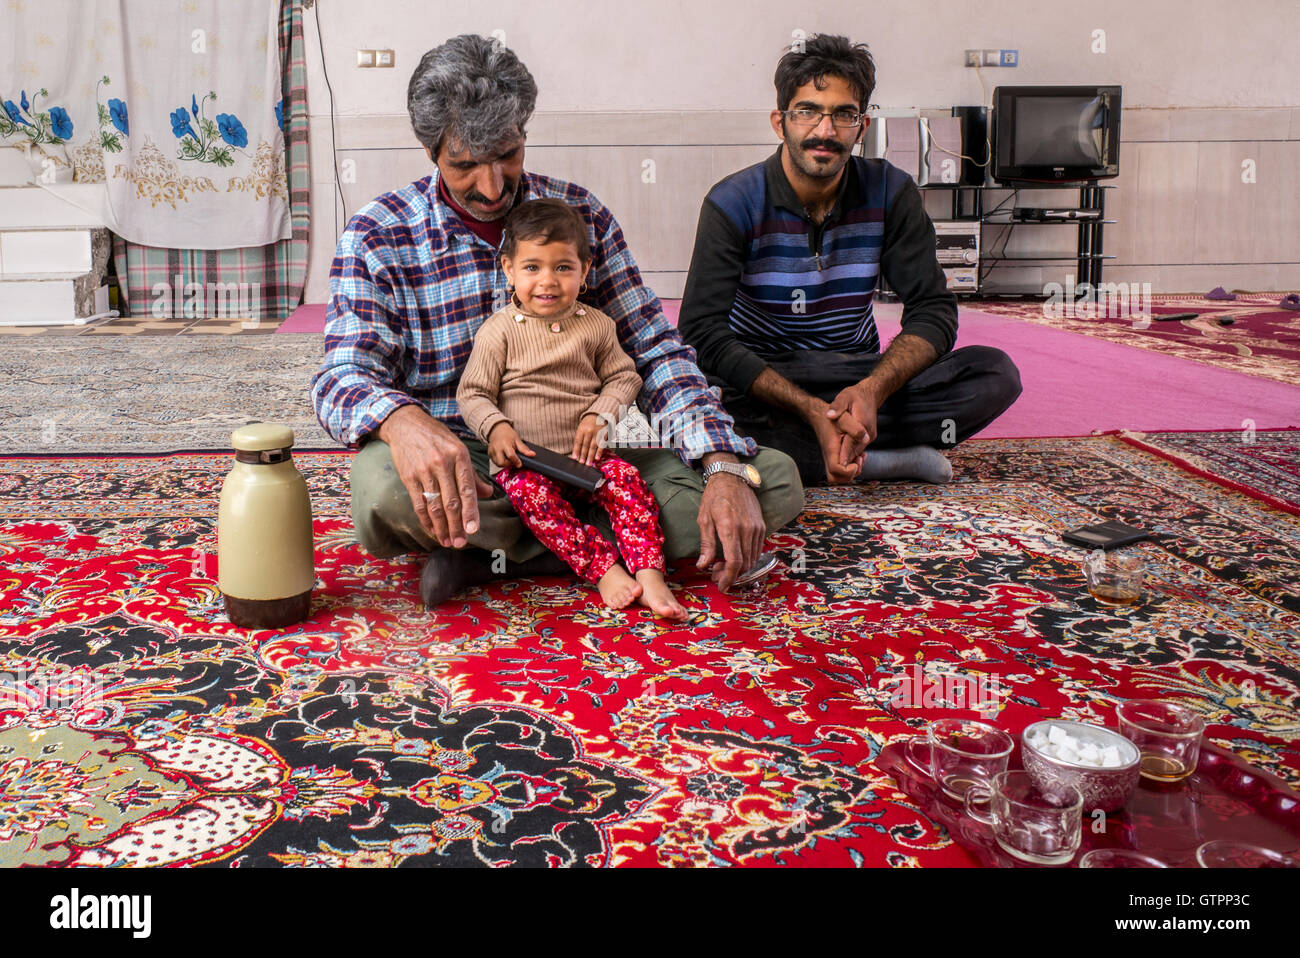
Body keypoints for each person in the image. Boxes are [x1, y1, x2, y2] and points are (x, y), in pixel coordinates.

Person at [309, 34, 804, 608]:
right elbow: (342, 377)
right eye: (466, 165)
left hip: (589, 465)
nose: (493, 188)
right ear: (430, 153)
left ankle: (509, 556)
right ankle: (607, 547)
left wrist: (719, 463)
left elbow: (655, 352)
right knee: (382, 490)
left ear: (524, 134)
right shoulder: (377, 236)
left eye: (507, 156)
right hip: (477, 466)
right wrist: (401, 422)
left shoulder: (582, 217)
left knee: (772, 479)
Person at [678, 34, 1022, 487]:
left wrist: (871, 390)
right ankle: (873, 457)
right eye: (808, 112)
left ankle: (816, 448)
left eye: (843, 114)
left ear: (861, 126)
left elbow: (933, 310)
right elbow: (701, 330)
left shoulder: (889, 191)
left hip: (855, 373)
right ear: (780, 122)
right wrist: (809, 408)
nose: (825, 131)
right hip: (765, 377)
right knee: (675, 395)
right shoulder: (733, 201)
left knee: (994, 373)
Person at [457, 198, 687, 620]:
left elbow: (624, 377)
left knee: (630, 485)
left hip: (589, 458)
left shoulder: (596, 325)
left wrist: (601, 412)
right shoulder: (499, 331)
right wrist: (496, 429)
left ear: (585, 269)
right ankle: (603, 568)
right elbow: (472, 393)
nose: (547, 281)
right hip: (527, 463)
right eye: (532, 267)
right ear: (508, 269)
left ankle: (650, 571)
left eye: (563, 267)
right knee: (534, 502)